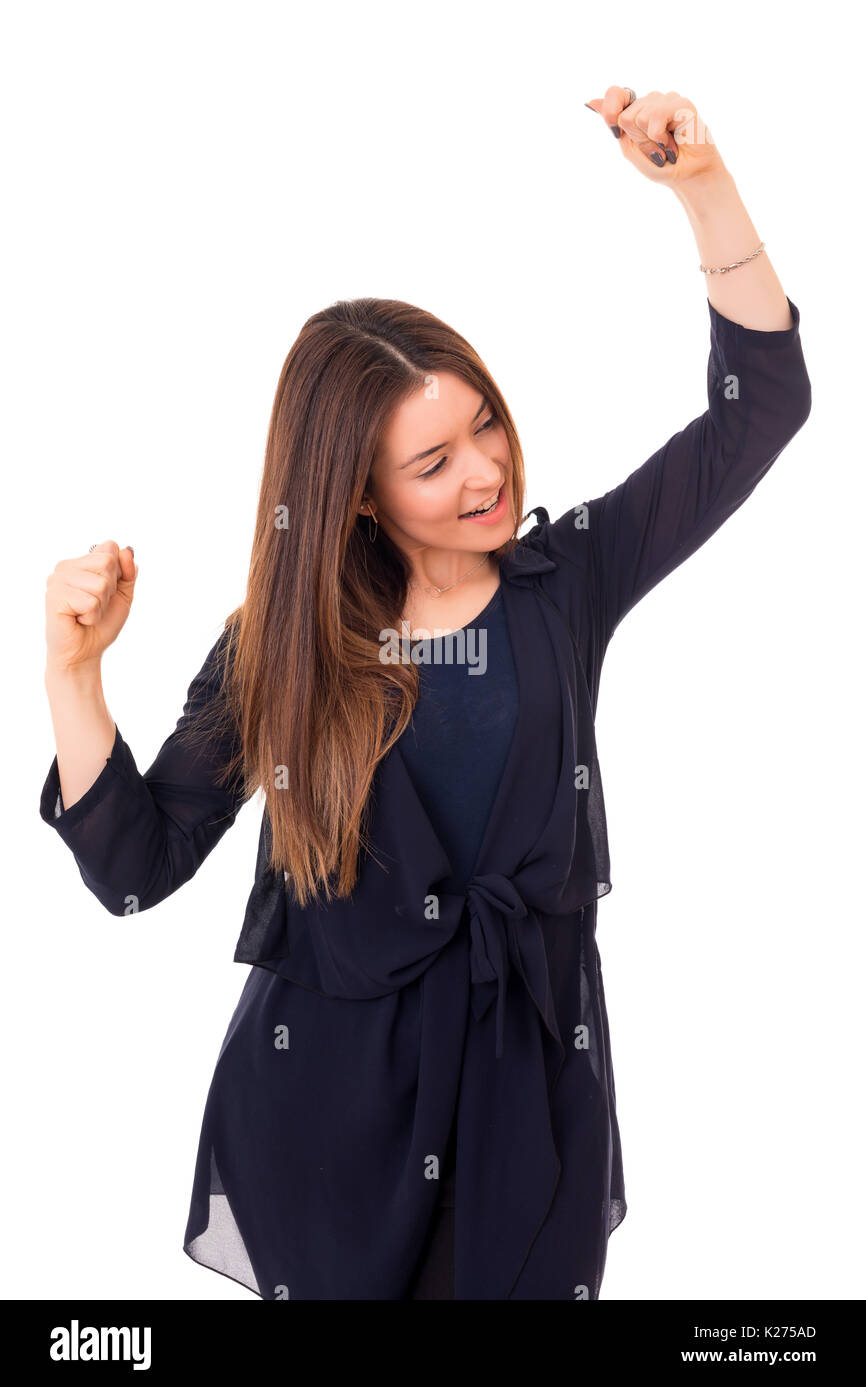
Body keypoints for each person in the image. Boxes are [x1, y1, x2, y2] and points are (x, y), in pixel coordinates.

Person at [40, 86, 811, 1300]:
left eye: (486, 425)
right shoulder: (279, 646)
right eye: (433, 460)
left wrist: (699, 189)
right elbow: (134, 868)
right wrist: (72, 673)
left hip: (527, 1103)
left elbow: (758, 408)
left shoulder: (567, 582)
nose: (486, 471)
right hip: (327, 1132)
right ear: (353, 495)